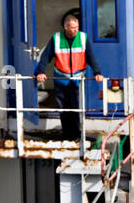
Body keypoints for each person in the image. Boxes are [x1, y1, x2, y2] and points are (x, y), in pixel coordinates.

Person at [34, 9, 104, 144]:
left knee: (76, 108)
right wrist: (40, 72)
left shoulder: (83, 38)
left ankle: (77, 135)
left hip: (77, 80)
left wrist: (97, 72)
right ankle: (67, 135)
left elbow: (91, 57)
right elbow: (45, 57)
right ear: (65, 27)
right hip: (61, 80)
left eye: (77, 27)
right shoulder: (56, 38)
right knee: (64, 110)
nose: (75, 30)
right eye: (72, 28)